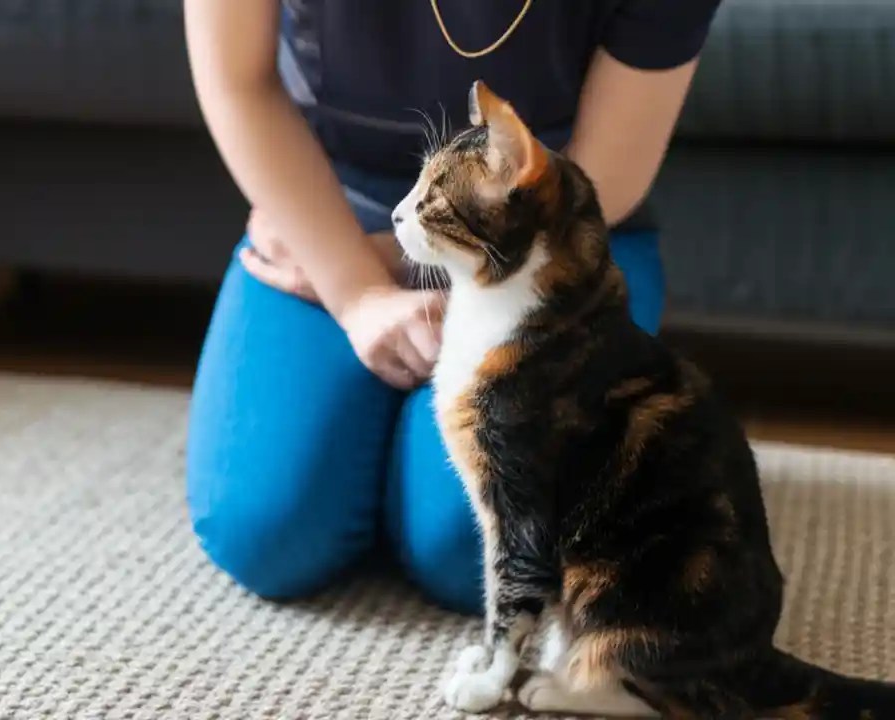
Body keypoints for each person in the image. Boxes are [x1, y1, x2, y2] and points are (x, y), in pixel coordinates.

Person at [183, 0, 723, 615]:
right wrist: (356, 292)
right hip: (326, 206)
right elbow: (237, 82)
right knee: (268, 532)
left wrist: (410, 253)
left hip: (548, 230)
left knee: (470, 551)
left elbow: (609, 169)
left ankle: (399, 471)